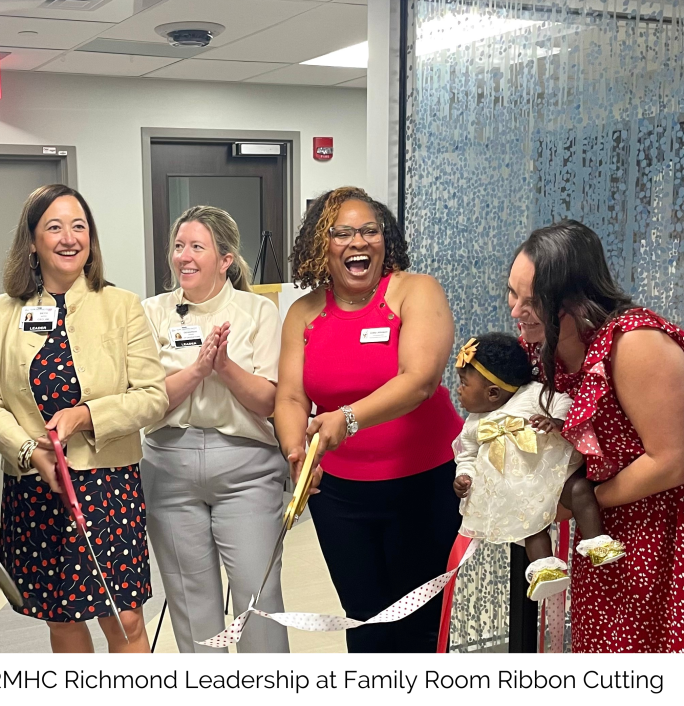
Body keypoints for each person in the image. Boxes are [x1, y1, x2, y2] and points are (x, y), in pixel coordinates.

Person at [0, 184, 167, 653]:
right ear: (32, 240)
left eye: (79, 226)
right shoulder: (1, 312)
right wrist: (27, 450)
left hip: (108, 483)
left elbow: (152, 397)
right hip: (37, 483)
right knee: (60, 617)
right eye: (53, 227)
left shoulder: (122, 307)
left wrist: (86, 415)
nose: (69, 238)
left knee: (126, 619)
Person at [274, 186, 464, 653]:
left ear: (386, 238)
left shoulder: (415, 291)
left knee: (417, 623)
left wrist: (349, 418)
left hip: (424, 485)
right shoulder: (304, 313)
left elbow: (419, 379)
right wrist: (296, 451)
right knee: (365, 619)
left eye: (369, 231)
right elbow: (292, 397)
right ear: (323, 245)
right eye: (342, 233)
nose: (358, 243)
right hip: (339, 496)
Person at [508, 220, 684, 652]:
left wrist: (577, 503)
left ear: (575, 300)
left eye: (533, 302)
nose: (516, 311)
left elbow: (673, 459)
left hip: (662, 533)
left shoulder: (636, 343)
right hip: (601, 532)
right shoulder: (540, 344)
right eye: (512, 294)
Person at [140, 206, 289, 653]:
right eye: (178, 246)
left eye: (196, 247)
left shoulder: (258, 312)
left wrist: (223, 366)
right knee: (190, 603)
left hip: (246, 470)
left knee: (257, 598)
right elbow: (145, 403)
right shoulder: (151, 313)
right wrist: (197, 371)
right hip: (169, 468)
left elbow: (268, 401)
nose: (183, 256)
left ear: (225, 259)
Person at [450, 333, 623, 601]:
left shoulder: (533, 395)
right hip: (519, 488)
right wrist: (465, 476)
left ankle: (597, 540)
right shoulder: (473, 424)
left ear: (493, 392)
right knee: (529, 525)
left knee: (579, 491)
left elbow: (565, 402)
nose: (458, 389)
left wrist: (556, 420)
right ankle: (544, 568)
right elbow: (467, 456)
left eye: (463, 383)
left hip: (554, 471)